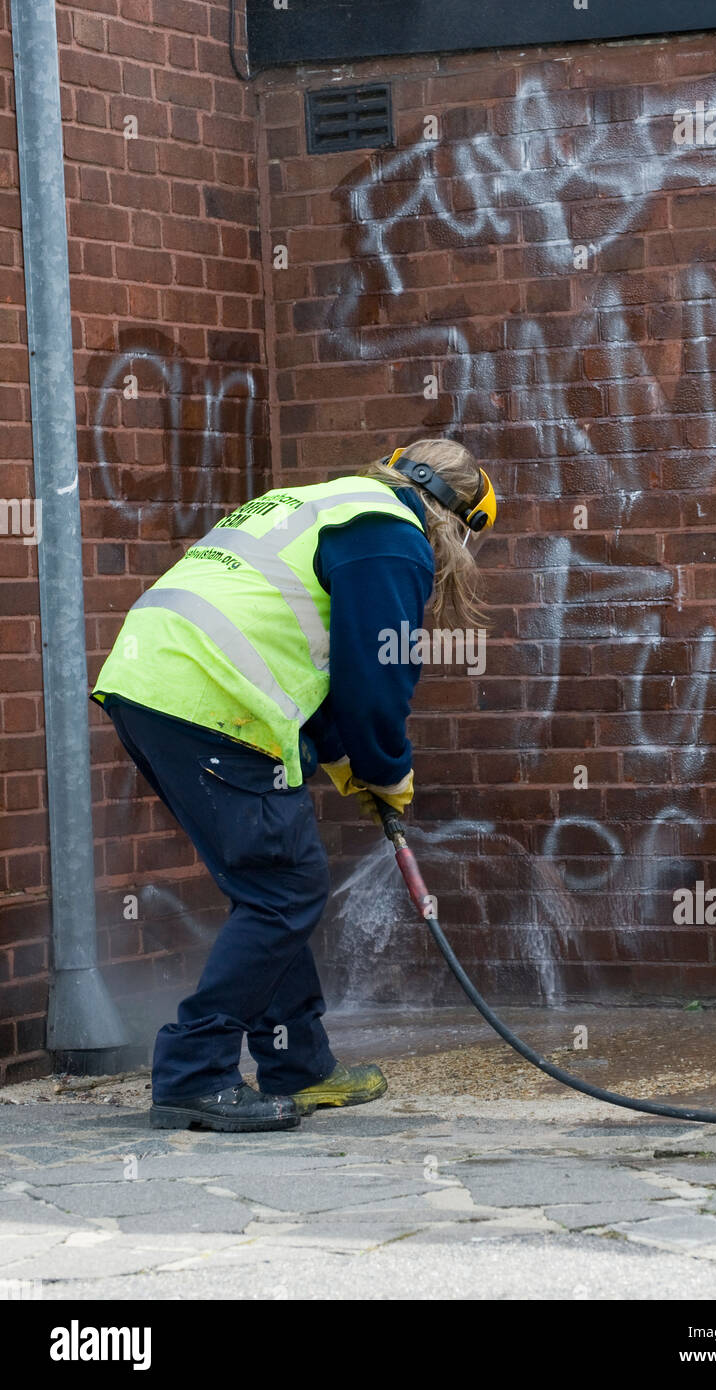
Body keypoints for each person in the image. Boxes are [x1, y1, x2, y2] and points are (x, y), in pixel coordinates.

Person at [91, 437, 497, 1132]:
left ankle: (299, 1062)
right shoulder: (392, 536)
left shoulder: (328, 503)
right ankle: (193, 1072)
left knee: (272, 886)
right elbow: (373, 679)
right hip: (210, 698)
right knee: (286, 887)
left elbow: (321, 655)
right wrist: (386, 771)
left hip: (151, 686)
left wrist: (342, 761)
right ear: (455, 521)